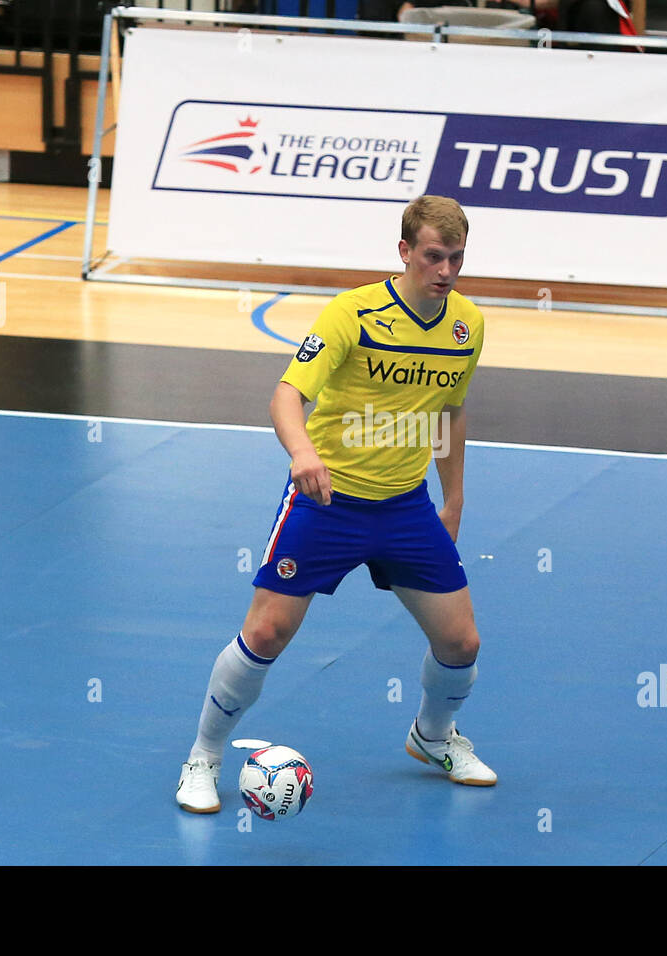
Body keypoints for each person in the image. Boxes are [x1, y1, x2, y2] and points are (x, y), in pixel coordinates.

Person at [176, 195, 495, 813]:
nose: (447, 271)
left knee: (461, 645)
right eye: (434, 256)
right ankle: (204, 756)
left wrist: (452, 498)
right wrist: (302, 454)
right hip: (326, 502)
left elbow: (448, 411)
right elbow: (287, 395)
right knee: (266, 631)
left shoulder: (467, 326)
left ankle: (432, 737)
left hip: (405, 507)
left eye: (457, 258)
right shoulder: (353, 314)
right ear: (405, 251)